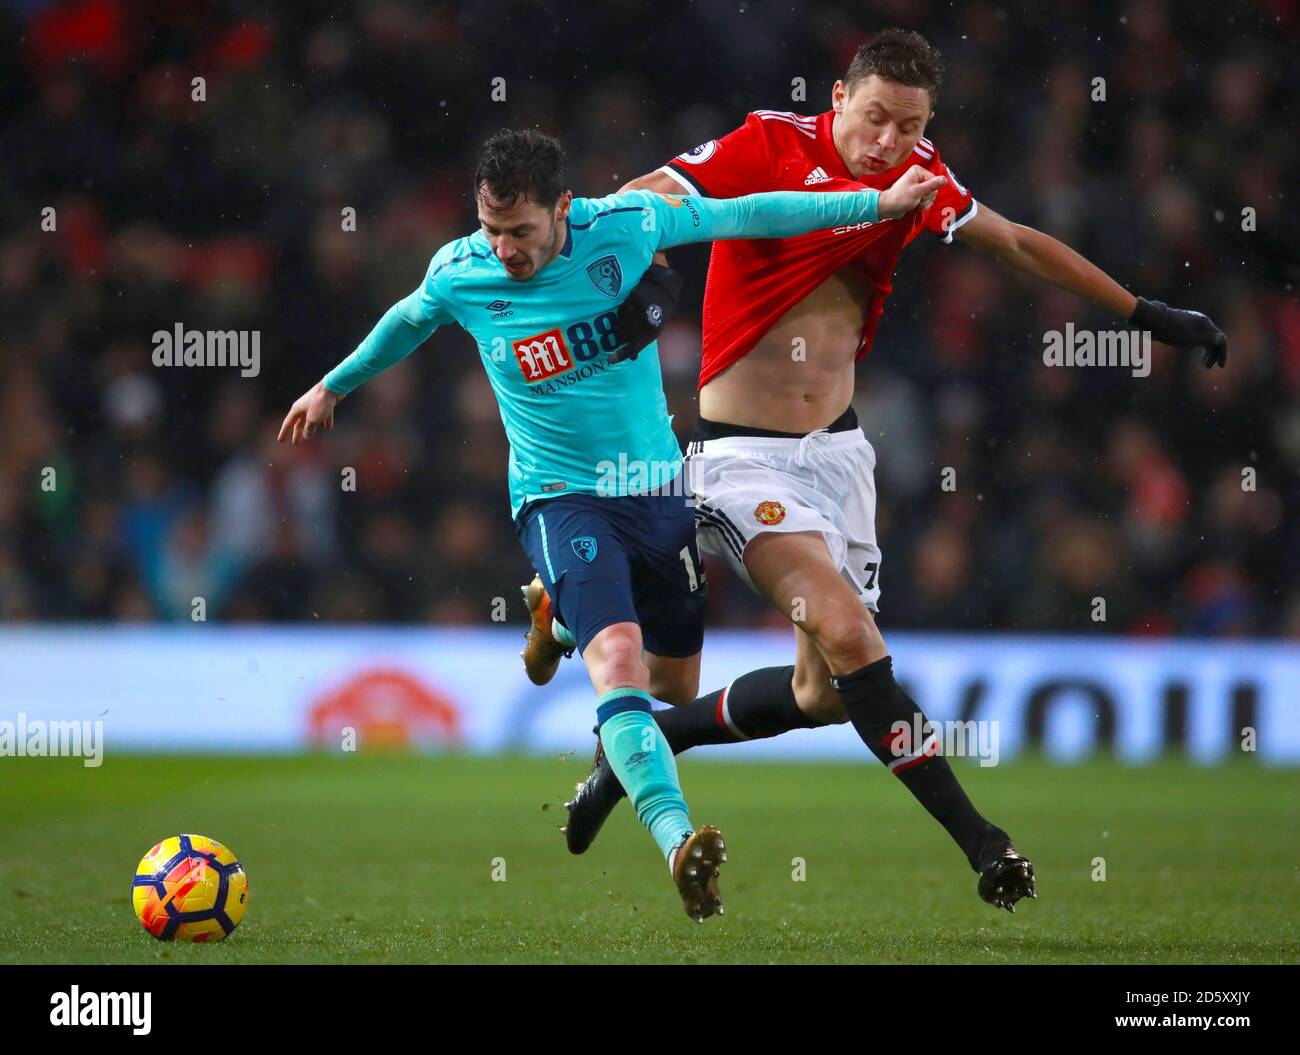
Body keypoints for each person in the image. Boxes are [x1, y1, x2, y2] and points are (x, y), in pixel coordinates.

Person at [542, 29, 1227, 914]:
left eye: (910, 126)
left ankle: (640, 744)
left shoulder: (918, 178)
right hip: (738, 459)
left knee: (822, 695)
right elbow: (640, 198)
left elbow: (1015, 244)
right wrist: (642, 267)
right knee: (848, 629)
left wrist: (1146, 312)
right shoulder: (766, 145)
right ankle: (986, 845)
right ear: (837, 98)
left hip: (839, 457)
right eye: (875, 120)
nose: (889, 143)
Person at [279, 127, 947, 921]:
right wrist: (333, 386)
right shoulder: (461, 270)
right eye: (491, 229)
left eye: (520, 232)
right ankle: (677, 840)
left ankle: (554, 615)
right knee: (622, 660)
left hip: (657, 490)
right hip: (561, 495)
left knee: (674, 688)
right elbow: (409, 319)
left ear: (563, 209)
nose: (503, 249)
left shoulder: (627, 225)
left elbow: (752, 214)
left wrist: (876, 202)